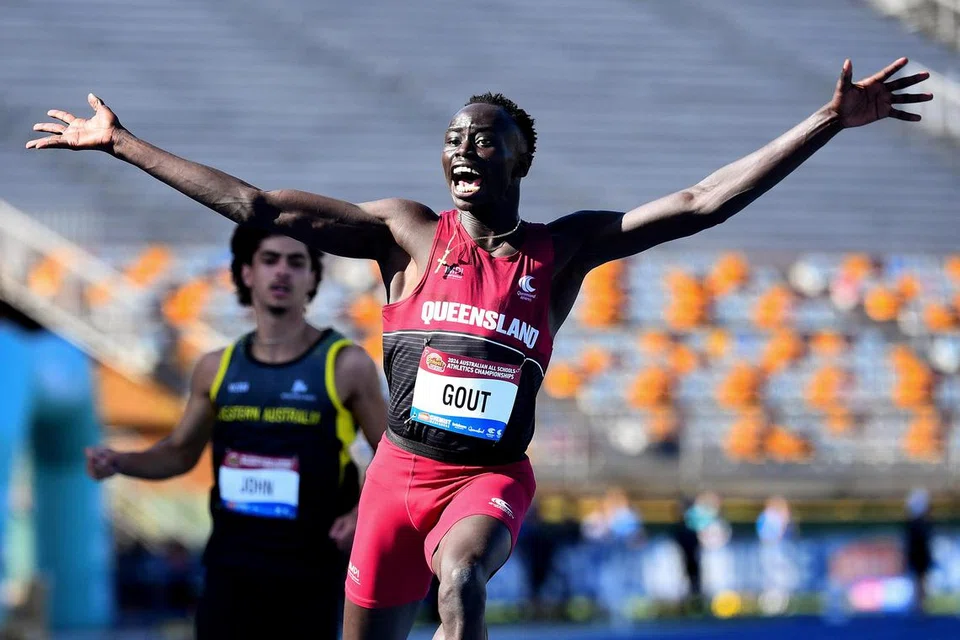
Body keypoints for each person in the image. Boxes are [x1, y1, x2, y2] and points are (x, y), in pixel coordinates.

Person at [28, 56, 931, 640]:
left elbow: (702, 203)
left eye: (484, 137)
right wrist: (121, 145)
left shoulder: (563, 247)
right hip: (394, 481)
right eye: (454, 136)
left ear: (518, 160)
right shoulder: (405, 237)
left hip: (486, 480)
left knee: (459, 585)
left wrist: (825, 122)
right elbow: (260, 208)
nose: (464, 147)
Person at [83, 225, 387, 638]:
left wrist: (358, 516)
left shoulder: (345, 364)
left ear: (313, 279)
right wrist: (121, 461)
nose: (282, 272)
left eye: (296, 263)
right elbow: (178, 453)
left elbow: (392, 456)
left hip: (310, 567)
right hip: (231, 566)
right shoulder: (215, 367)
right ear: (246, 274)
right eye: (269, 260)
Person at [904, 488, 933, 614]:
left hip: (920, 554)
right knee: (919, 580)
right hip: (918, 554)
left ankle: (921, 606)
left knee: (920, 580)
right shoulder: (917, 524)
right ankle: (919, 606)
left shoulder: (920, 523)